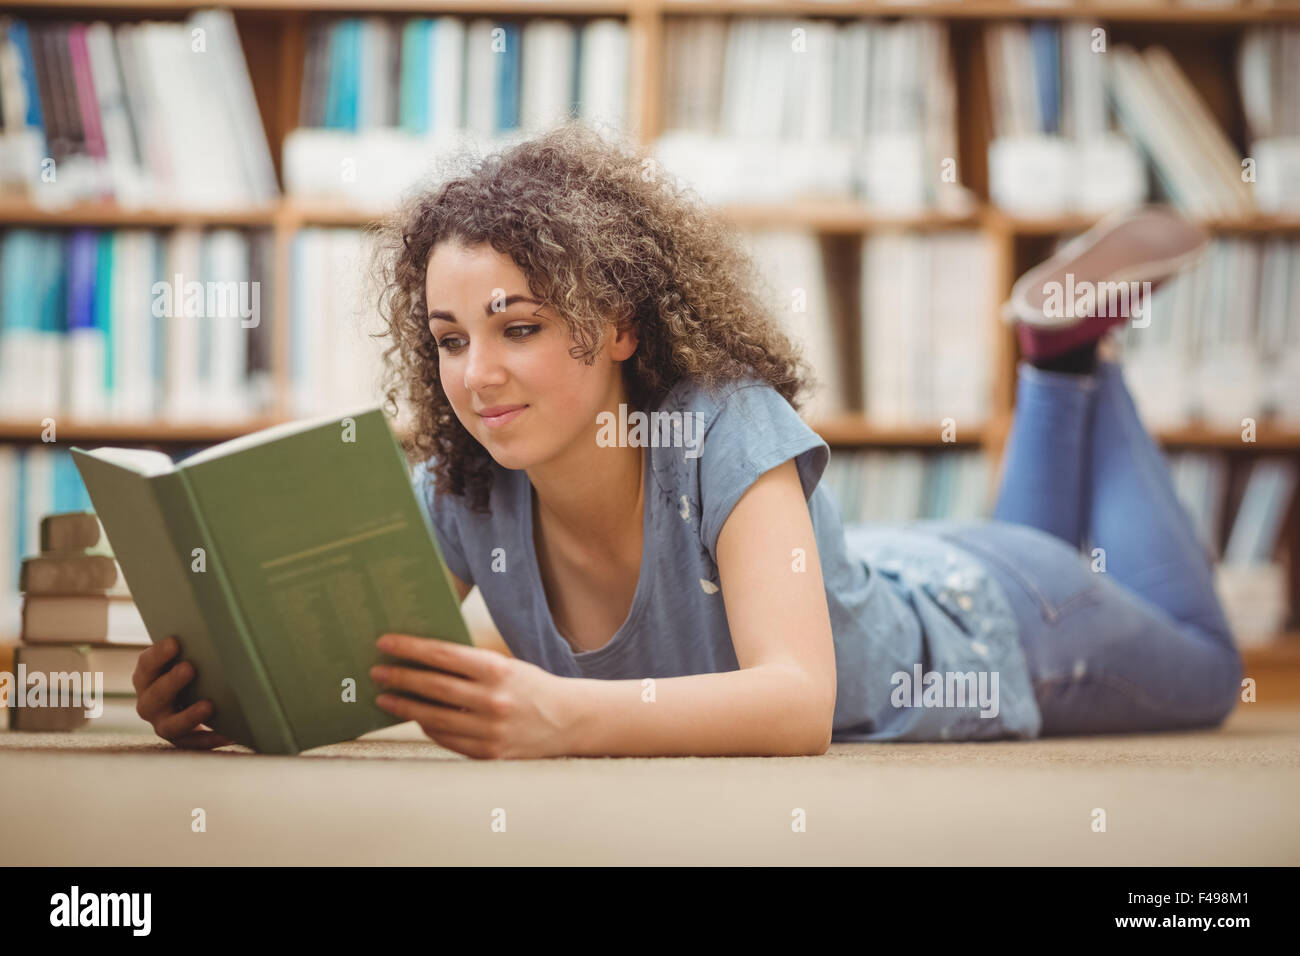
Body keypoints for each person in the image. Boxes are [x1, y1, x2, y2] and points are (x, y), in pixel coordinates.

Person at [134, 123, 1241, 758]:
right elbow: (349, 666)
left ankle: (1062, 358)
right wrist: (218, 693)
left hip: (1002, 618)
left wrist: (563, 714)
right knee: (1042, 536)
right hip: (893, 570)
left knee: (1202, 667)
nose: (477, 374)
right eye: (449, 337)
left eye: (519, 327)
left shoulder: (719, 423)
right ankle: (1055, 354)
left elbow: (798, 700)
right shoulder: (465, 484)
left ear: (617, 324)